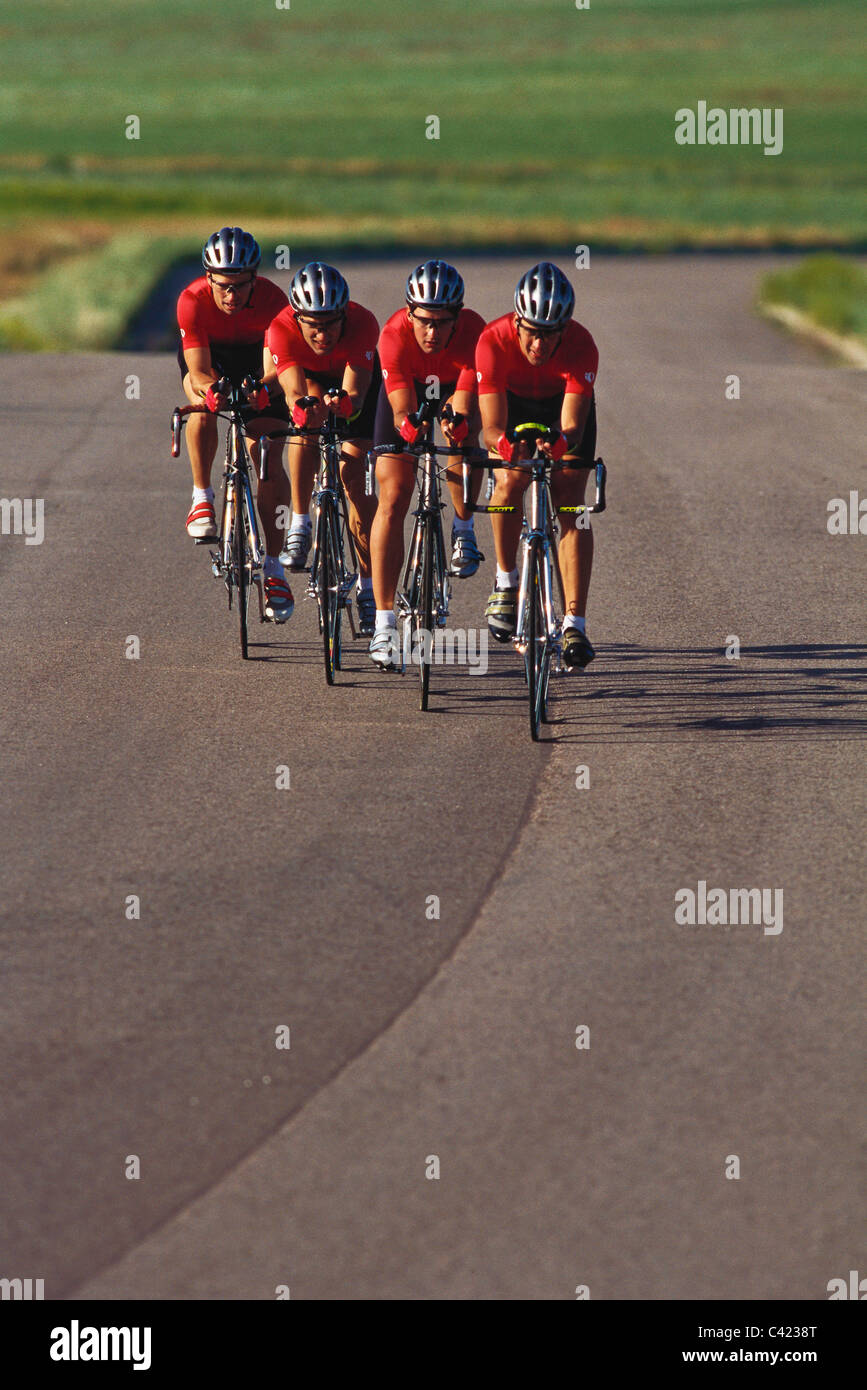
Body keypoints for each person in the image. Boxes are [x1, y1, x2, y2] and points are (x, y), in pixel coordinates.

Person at [475, 261, 599, 668]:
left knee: (570, 505)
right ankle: (507, 582)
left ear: (565, 329)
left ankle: (574, 623)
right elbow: (489, 427)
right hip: (513, 407)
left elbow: (573, 425)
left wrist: (561, 442)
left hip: (561, 411)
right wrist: (505, 445)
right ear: (516, 321)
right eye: (532, 333)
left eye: (550, 336)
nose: (539, 346)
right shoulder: (492, 341)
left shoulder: (582, 345)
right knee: (509, 482)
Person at [368, 260, 485, 669]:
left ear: (459, 315)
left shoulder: (475, 333)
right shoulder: (393, 336)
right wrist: (408, 427)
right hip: (407, 391)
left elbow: (465, 401)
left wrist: (455, 419)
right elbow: (401, 407)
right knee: (394, 495)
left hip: (454, 385)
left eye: (442, 322)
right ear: (408, 312)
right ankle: (384, 624)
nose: (432, 332)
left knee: (463, 434)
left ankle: (464, 528)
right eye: (424, 321)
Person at [176, 226, 295, 622]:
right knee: (201, 405)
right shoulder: (191, 301)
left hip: (258, 364)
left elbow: (275, 370)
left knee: (267, 452)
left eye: (240, 286)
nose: (231, 296)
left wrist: (261, 393)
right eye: (223, 286)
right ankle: (201, 497)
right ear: (209, 278)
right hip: (212, 360)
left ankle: (274, 568)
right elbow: (197, 371)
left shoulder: (276, 302)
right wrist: (211, 391)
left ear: (254, 279)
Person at [265, 262, 380, 634]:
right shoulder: (280, 327)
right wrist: (306, 408)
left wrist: (345, 405)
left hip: (352, 384)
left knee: (356, 478)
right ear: (298, 318)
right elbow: (294, 391)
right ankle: (300, 522)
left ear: (344, 315)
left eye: (331, 323)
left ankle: (368, 587)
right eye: (313, 325)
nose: (323, 333)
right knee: (304, 422)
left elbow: (356, 393)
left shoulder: (363, 323)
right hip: (311, 381)